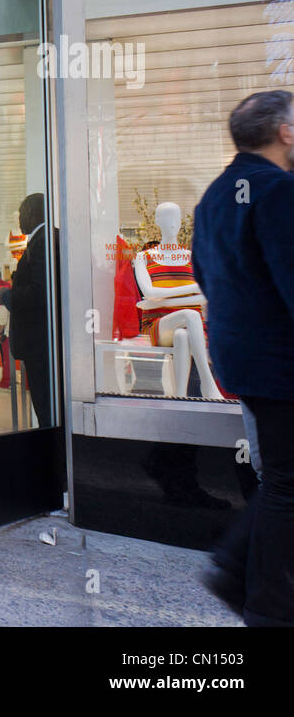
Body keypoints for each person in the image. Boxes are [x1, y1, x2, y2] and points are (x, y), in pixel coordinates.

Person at [192, 89, 294, 627]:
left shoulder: (213, 195)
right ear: (284, 132)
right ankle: (263, 601)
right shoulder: (279, 190)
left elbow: (204, 277)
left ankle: (238, 573)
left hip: (243, 362)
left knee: (281, 478)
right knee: (286, 484)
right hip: (280, 364)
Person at [10, 193, 56, 429]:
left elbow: (40, 291)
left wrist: (9, 295)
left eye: (21, 214)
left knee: (45, 403)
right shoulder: (46, 238)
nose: (19, 221)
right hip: (43, 339)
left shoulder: (42, 242)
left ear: (31, 213)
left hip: (39, 339)